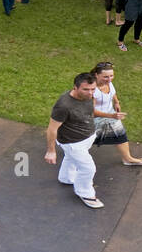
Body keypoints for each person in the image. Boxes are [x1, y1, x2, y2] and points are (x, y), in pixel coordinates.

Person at [43, 71, 107, 208]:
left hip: (86, 138)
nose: (90, 93)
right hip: (72, 143)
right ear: (75, 87)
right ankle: (85, 193)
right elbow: (52, 129)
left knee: (71, 159)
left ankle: (66, 178)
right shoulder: (64, 106)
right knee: (88, 168)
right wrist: (51, 151)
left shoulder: (89, 96)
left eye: (92, 89)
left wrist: (112, 115)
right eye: (85, 89)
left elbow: (90, 112)